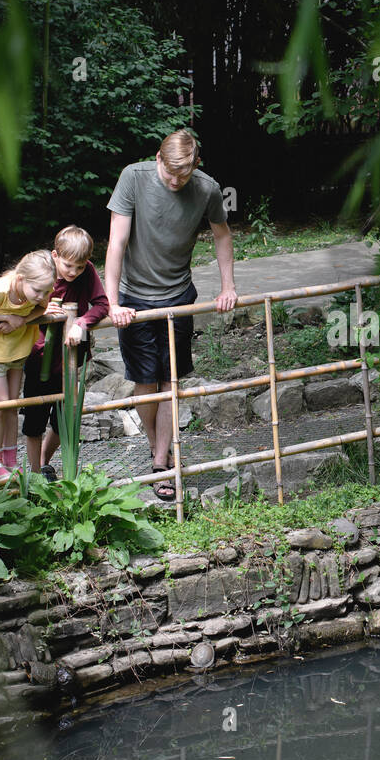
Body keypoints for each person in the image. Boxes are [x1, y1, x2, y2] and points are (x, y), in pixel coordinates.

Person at [105, 130, 237, 502]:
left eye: (185, 175)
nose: (177, 182)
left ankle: (161, 464)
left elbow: (223, 236)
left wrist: (228, 286)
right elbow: (116, 242)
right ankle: (158, 449)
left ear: (195, 166)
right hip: (134, 299)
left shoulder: (207, 189)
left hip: (178, 297)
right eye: (170, 174)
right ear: (158, 159)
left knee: (169, 382)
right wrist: (112, 302)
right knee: (145, 384)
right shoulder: (133, 177)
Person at [20, 225, 110, 481]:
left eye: (80, 267)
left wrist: (81, 322)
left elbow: (102, 304)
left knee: (65, 420)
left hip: (70, 359)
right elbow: (23, 306)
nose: (74, 272)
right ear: (55, 256)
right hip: (39, 358)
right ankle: (36, 476)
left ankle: (44, 463)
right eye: (69, 266)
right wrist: (44, 311)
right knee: (35, 420)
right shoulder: (42, 272)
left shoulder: (87, 272)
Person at [0, 250, 57, 482]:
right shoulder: (0, 291)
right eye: (38, 291)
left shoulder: (39, 290)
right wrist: (6, 318)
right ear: (21, 279)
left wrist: (22, 320)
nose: (42, 295)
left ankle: (11, 461)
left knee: (13, 407)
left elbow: (41, 308)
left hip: (16, 351)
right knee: (1, 406)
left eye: (46, 291)